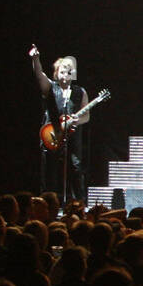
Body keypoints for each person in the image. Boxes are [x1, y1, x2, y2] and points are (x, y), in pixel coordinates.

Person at [30, 45, 89, 202]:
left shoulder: (80, 91)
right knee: (50, 169)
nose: (65, 74)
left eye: (68, 71)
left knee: (75, 168)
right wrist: (35, 59)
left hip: (72, 136)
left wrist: (78, 120)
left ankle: (79, 203)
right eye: (62, 71)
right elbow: (38, 74)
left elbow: (86, 116)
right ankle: (48, 202)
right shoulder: (50, 88)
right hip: (52, 133)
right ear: (57, 73)